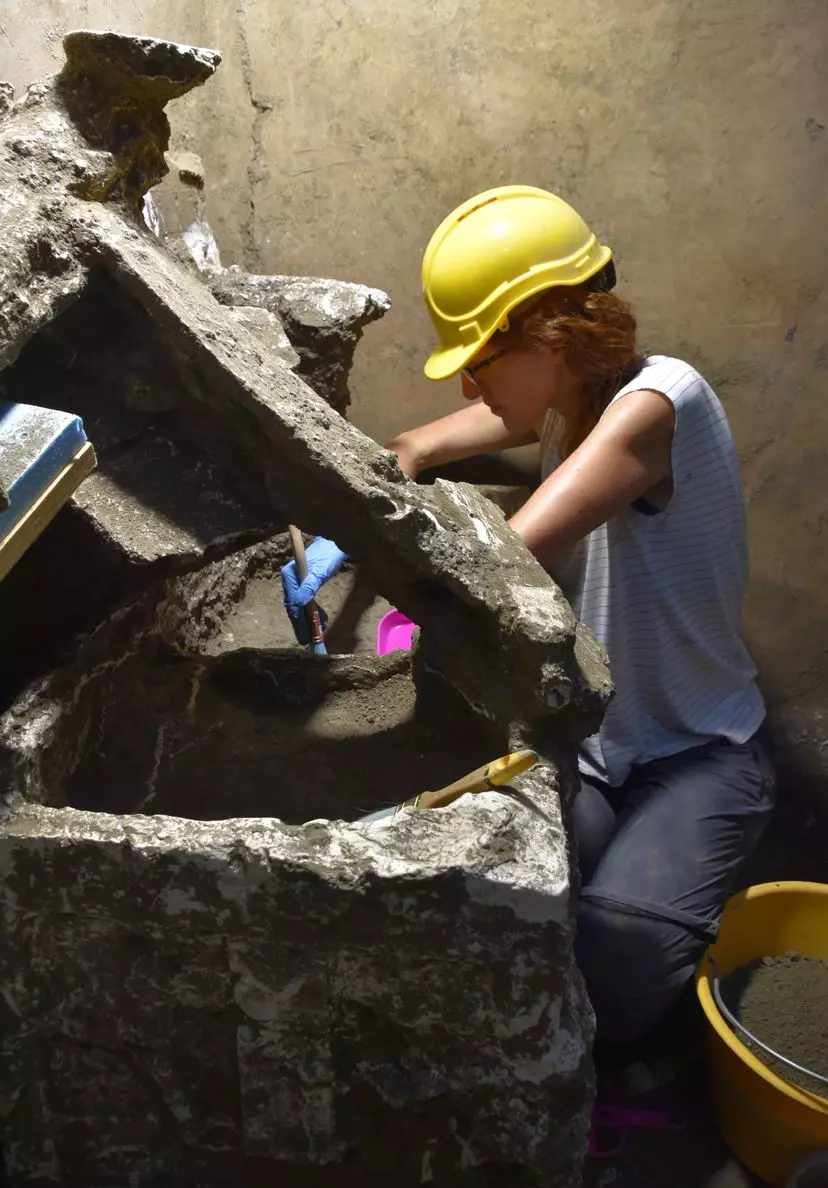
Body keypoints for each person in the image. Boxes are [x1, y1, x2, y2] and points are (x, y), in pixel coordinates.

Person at [281, 185, 776, 1044]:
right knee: (497, 897)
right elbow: (450, 432)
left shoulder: (661, 405)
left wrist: (371, 536)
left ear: (552, 338)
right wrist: (407, 453)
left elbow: (504, 562)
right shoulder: (573, 401)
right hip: (590, 741)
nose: (469, 377)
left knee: (612, 973)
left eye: (480, 353)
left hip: (698, 752)